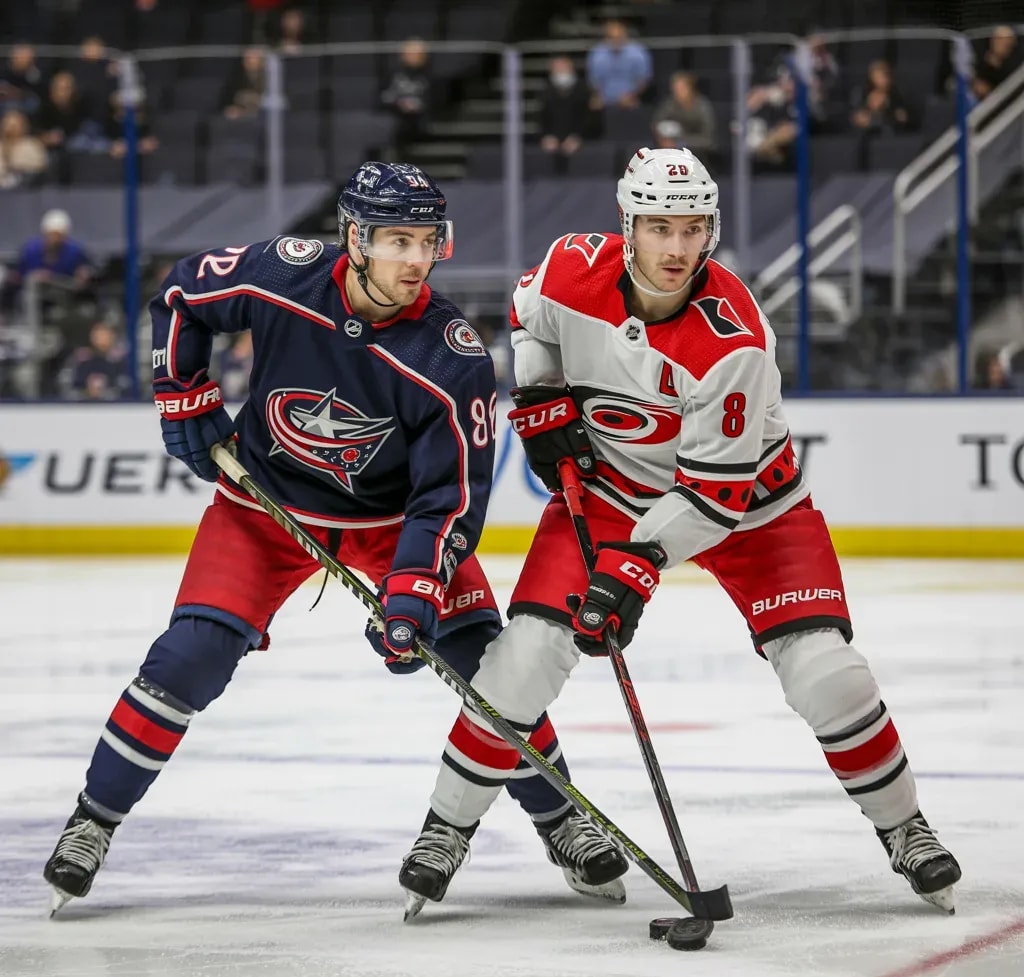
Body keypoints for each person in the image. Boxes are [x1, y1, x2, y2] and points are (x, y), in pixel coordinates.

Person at [42, 161, 627, 917]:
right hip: (263, 509)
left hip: (392, 527)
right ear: (354, 238)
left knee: (489, 673)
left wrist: (414, 589)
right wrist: (182, 396)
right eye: (398, 241)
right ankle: (93, 820)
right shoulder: (285, 275)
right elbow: (183, 295)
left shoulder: (450, 357)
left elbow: (448, 501)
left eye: (428, 242)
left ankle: (560, 819)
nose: (416, 260)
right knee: (187, 658)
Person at [401, 147, 962, 915]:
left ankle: (905, 827)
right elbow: (531, 318)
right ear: (627, 225)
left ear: (712, 230)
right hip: (610, 492)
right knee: (523, 657)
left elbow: (711, 498)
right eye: (660, 227)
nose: (676, 248)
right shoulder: (570, 267)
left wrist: (633, 568)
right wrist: (539, 393)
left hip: (753, 510)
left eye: (693, 228)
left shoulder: (735, 343)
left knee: (827, 672)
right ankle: (444, 829)